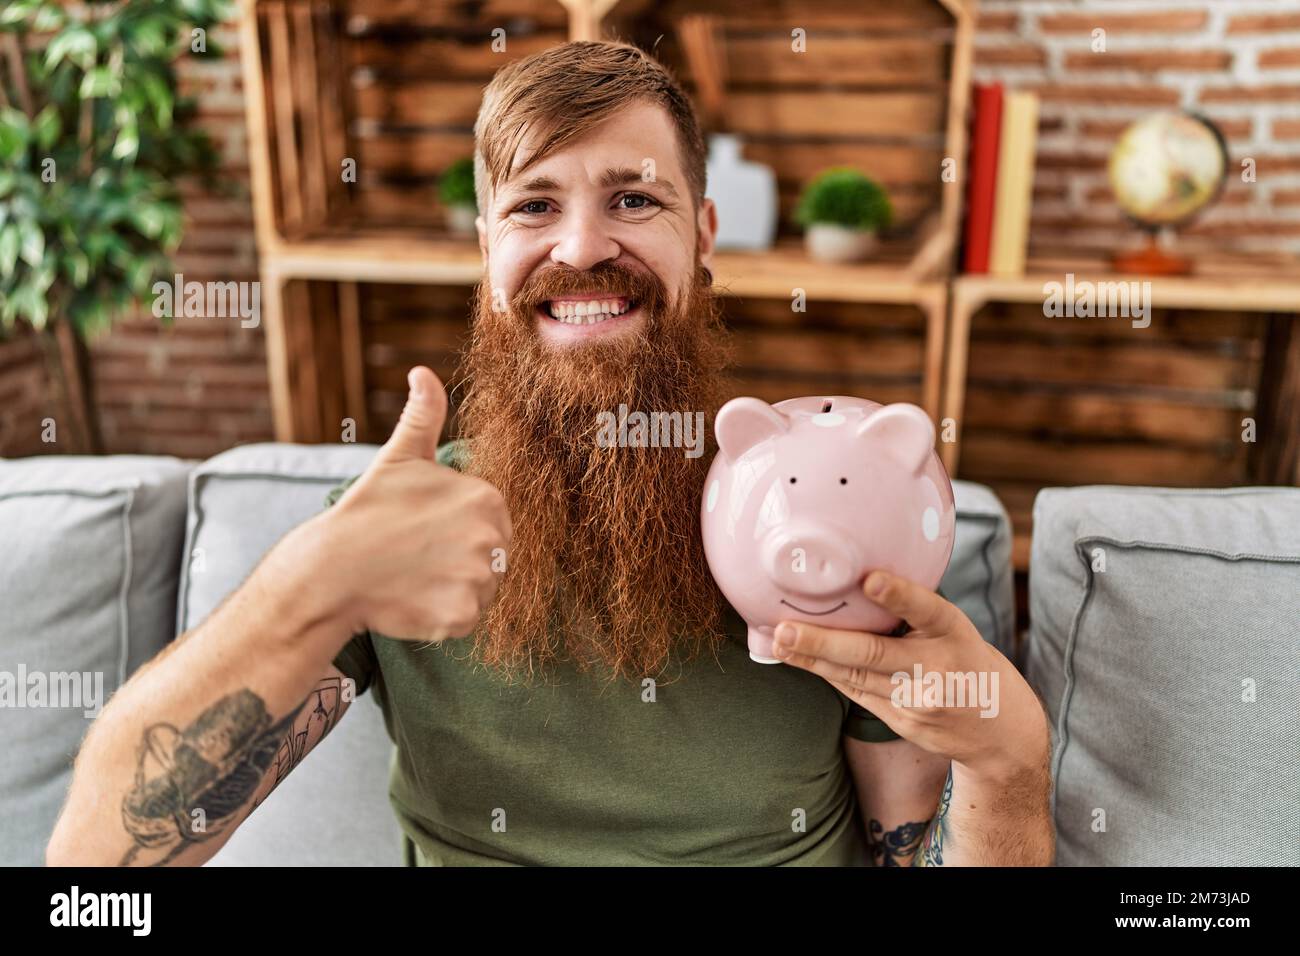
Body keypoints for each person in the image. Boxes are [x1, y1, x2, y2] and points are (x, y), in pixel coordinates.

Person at [47, 40, 1052, 867]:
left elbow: (907, 851)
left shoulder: (829, 517)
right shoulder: (397, 531)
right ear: (486, 252)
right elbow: (93, 878)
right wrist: (311, 581)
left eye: (633, 200)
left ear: (703, 239)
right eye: (534, 205)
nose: (579, 247)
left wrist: (1009, 771)